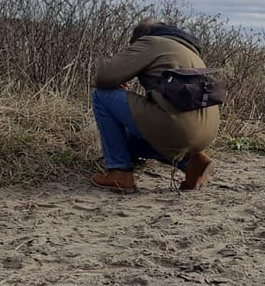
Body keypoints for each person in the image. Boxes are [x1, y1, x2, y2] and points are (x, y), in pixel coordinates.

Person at [90, 18, 220, 192]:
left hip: (176, 127)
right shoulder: (189, 51)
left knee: (101, 95)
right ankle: (192, 162)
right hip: (207, 133)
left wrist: (118, 77)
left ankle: (120, 173)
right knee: (127, 143)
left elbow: (103, 76)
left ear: (140, 37)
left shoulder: (151, 42)